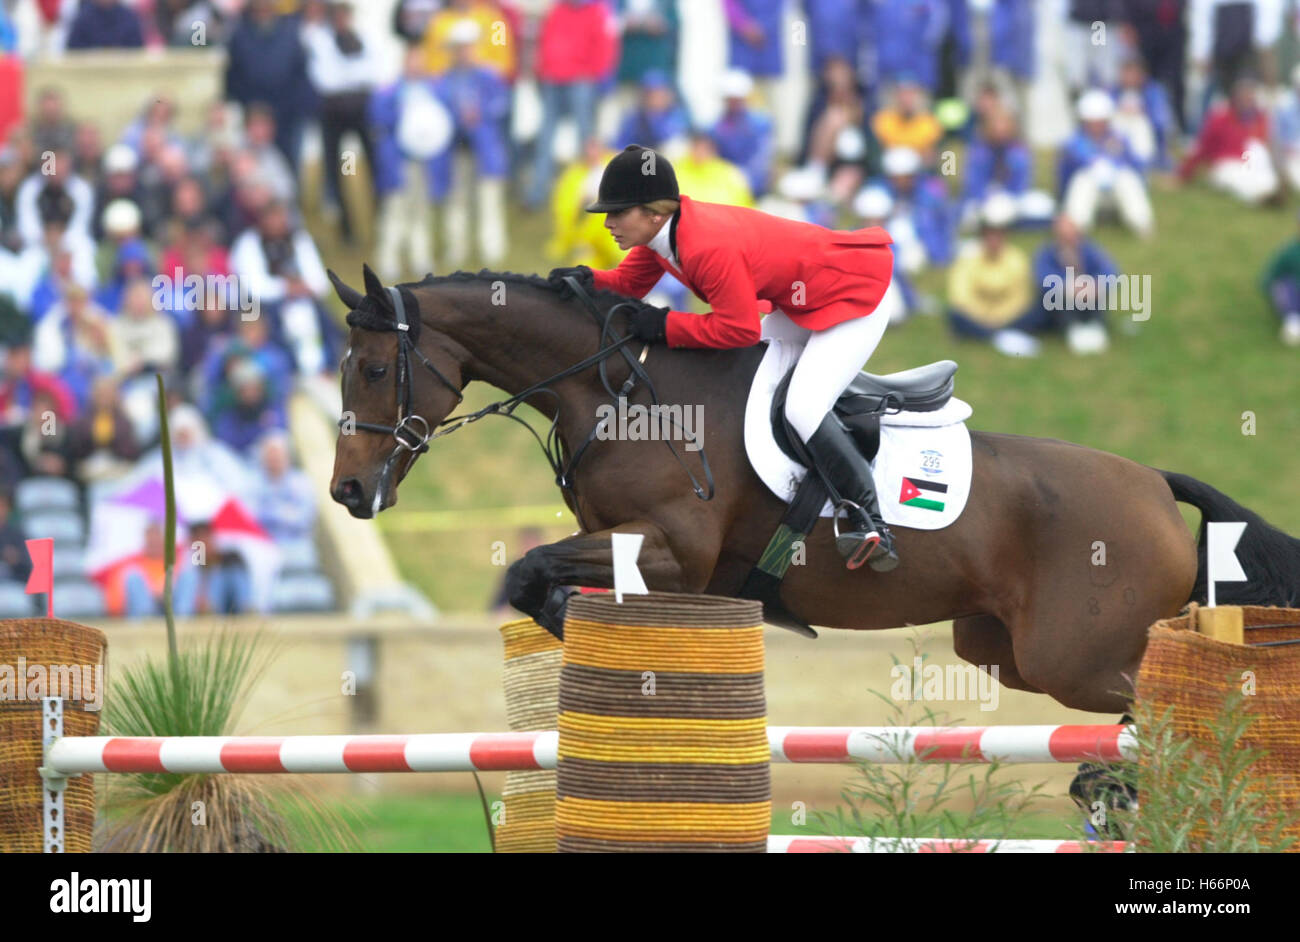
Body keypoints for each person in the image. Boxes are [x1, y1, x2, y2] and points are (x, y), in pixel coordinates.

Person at [546, 145, 899, 571]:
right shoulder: (665, 236)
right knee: (749, 381)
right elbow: (628, 284)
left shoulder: (703, 245)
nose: (608, 223)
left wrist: (665, 326)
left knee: (803, 406)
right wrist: (585, 281)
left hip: (854, 294)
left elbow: (740, 330)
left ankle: (867, 517)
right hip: (802, 300)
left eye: (618, 213)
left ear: (653, 214)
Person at [527, 0, 619, 210]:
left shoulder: (597, 12)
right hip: (552, 78)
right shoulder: (558, 10)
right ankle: (539, 191)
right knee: (545, 136)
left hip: (581, 79)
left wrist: (598, 76)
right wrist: (541, 70)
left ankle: (585, 190)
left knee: (585, 137)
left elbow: (604, 47)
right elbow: (545, 41)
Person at [946, 193, 1043, 357]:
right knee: (954, 315)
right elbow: (961, 295)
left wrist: (1001, 318)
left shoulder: (1016, 258)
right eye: (990, 235)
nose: (994, 240)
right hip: (978, 317)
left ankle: (991, 336)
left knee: (1038, 309)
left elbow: (1021, 296)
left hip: (1009, 317)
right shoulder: (969, 257)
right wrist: (984, 318)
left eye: (998, 235)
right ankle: (999, 337)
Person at [1058, 89, 1155, 237]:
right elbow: (1064, 177)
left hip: (1115, 195)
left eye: (1100, 120)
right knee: (1083, 180)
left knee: (1127, 179)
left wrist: (1115, 166)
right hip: (1090, 195)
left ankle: (1142, 225)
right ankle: (1076, 228)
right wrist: (1092, 166)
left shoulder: (1120, 139)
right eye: (1092, 121)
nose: (1096, 125)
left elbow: (1136, 167)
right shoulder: (1073, 143)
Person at [1179, 75, 1278, 204]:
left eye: (1250, 96)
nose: (1247, 100)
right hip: (1224, 164)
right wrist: (1184, 174)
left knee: (1257, 153)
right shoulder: (1220, 117)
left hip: (1247, 160)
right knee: (1237, 176)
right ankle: (1259, 197)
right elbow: (1202, 148)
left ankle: (1271, 190)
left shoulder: (1259, 118)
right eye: (1244, 95)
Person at [1032, 213, 1118, 354]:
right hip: (1061, 302)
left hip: (1090, 297)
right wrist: (1069, 287)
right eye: (1063, 234)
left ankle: (1096, 327)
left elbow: (1110, 271)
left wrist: (1095, 285)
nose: (1068, 238)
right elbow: (1042, 277)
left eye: (1071, 233)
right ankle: (1072, 329)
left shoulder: (1089, 250)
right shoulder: (1047, 253)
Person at [710, 69, 775, 198]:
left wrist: (744, 178)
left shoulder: (761, 124)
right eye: (730, 99)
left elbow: (761, 159)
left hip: (753, 186)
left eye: (737, 99)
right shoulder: (714, 127)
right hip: (722, 185)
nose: (733, 103)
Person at [1258, 210, 1300, 346]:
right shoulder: (1290, 251)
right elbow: (1271, 276)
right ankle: (1293, 322)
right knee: (1282, 284)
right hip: (1295, 297)